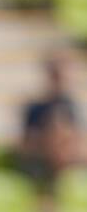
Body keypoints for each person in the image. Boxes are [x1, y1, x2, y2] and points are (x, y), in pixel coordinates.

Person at [18, 50, 86, 186]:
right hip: (41, 162)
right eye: (57, 75)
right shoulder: (35, 107)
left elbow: (79, 140)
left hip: (68, 161)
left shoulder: (73, 106)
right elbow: (25, 143)